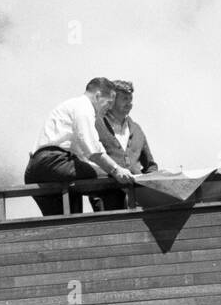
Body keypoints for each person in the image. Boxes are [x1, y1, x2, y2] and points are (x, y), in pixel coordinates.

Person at [25, 78, 136, 215]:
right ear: (98, 95)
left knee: (68, 217)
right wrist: (116, 170)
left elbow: (85, 155)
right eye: (109, 102)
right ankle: (113, 229)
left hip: (36, 169)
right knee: (112, 183)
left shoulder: (71, 106)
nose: (109, 107)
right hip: (54, 163)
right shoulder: (84, 108)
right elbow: (93, 151)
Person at [92, 80, 160, 210]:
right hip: (106, 193)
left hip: (136, 196)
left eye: (130, 99)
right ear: (112, 99)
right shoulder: (96, 123)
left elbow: (150, 165)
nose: (129, 103)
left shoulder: (136, 129)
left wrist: (151, 188)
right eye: (124, 99)